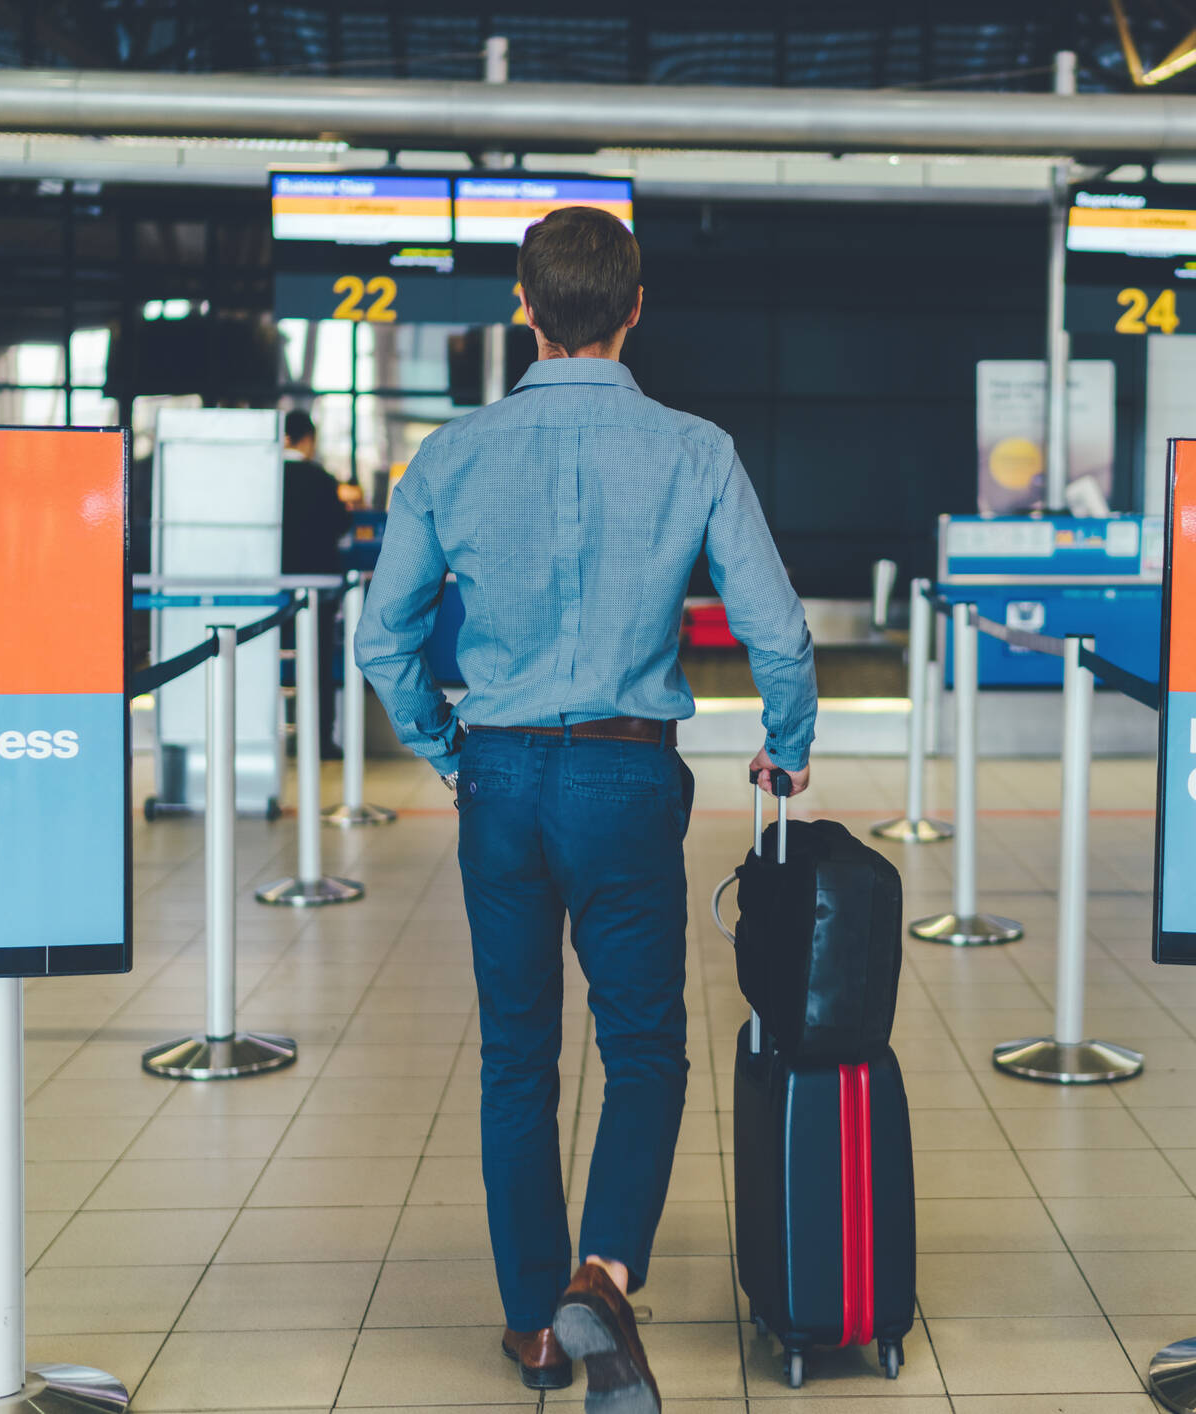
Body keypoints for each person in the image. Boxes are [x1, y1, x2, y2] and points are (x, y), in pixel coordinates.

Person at [356, 206, 816, 1409]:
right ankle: (602, 1272)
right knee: (643, 1046)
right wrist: (786, 742)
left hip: (500, 776)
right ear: (635, 306)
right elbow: (776, 627)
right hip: (624, 775)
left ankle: (534, 1330)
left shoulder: (449, 453)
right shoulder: (695, 448)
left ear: (522, 304)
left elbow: (381, 635)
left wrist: (444, 745)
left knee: (516, 1056)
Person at [281, 409, 349, 757]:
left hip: (271, 591)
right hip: (317, 589)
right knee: (318, 662)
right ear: (308, 439)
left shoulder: (264, 478)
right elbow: (340, 526)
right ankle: (320, 740)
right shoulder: (321, 479)